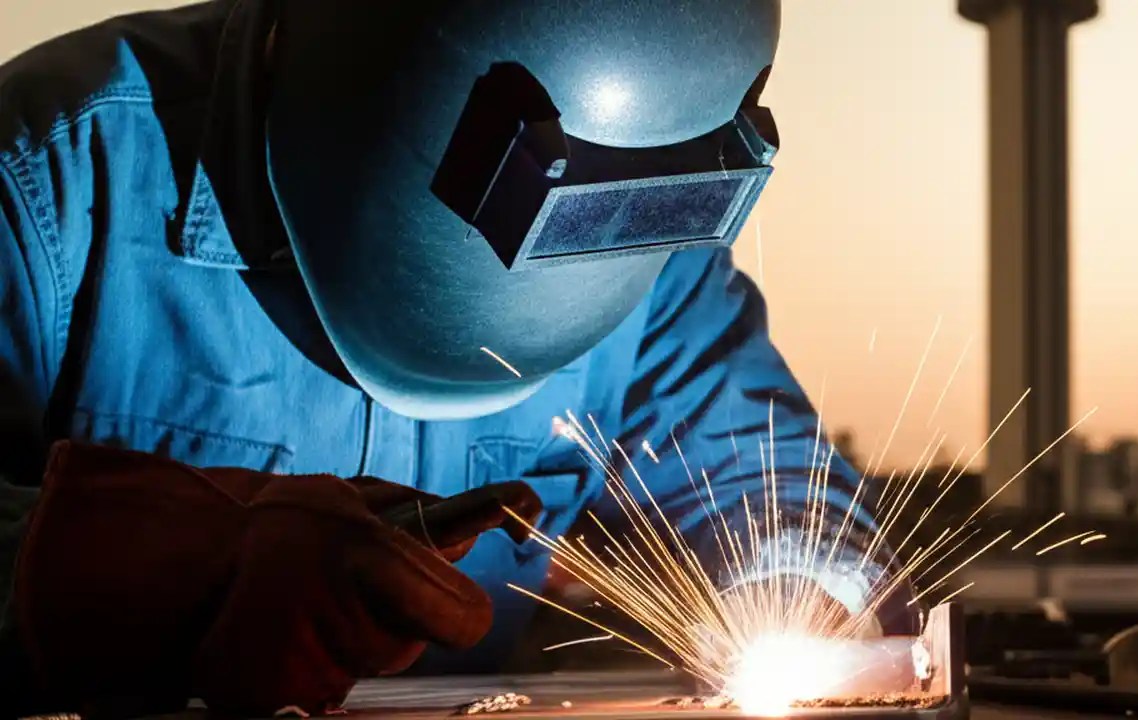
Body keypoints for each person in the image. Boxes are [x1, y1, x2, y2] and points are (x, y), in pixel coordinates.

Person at [0, 0, 917, 715]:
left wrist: (803, 591)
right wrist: (153, 569)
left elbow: (763, 481)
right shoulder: (49, 177)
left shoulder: (656, 244)